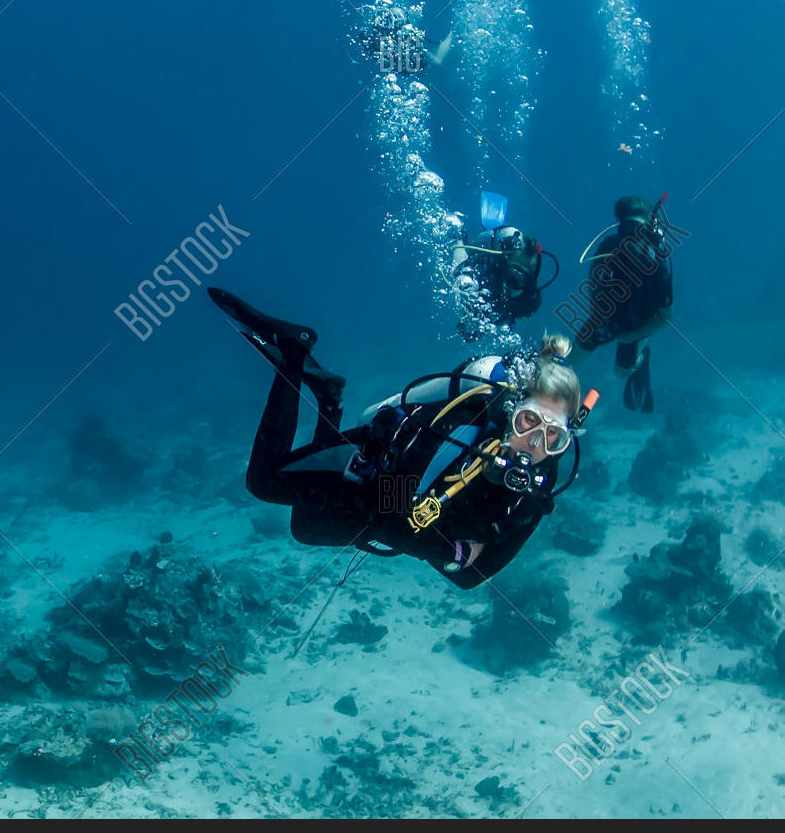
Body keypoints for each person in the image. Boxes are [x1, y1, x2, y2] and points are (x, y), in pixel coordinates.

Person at [210, 287, 589, 589]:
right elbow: (401, 508)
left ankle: (328, 396)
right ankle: (293, 350)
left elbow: (473, 578)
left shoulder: (543, 480)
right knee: (263, 482)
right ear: (510, 415)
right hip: (366, 467)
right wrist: (449, 549)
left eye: (553, 436)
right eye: (528, 422)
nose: (536, 444)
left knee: (305, 528)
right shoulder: (465, 426)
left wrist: (432, 543)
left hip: (382, 514)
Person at [564, 195, 675, 412]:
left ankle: (642, 359)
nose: (632, 235)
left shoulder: (659, 267)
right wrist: (599, 314)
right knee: (570, 359)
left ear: (651, 231)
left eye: (637, 228)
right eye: (627, 227)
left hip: (639, 324)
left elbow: (665, 316)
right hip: (606, 317)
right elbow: (593, 281)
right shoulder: (608, 247)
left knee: (621, 372)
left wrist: (632, 336)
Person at [449, 223, 550, 340]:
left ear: (531, 278)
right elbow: (461, 270)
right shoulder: (488, 270)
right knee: (459, 273)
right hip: (480, 269)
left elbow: (511, 315)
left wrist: (497, 324)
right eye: (514, 271)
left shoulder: (529, 299)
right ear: (505, 265)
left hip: (497, 309)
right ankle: (458, 237)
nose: (516, 279)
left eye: (523, 276)